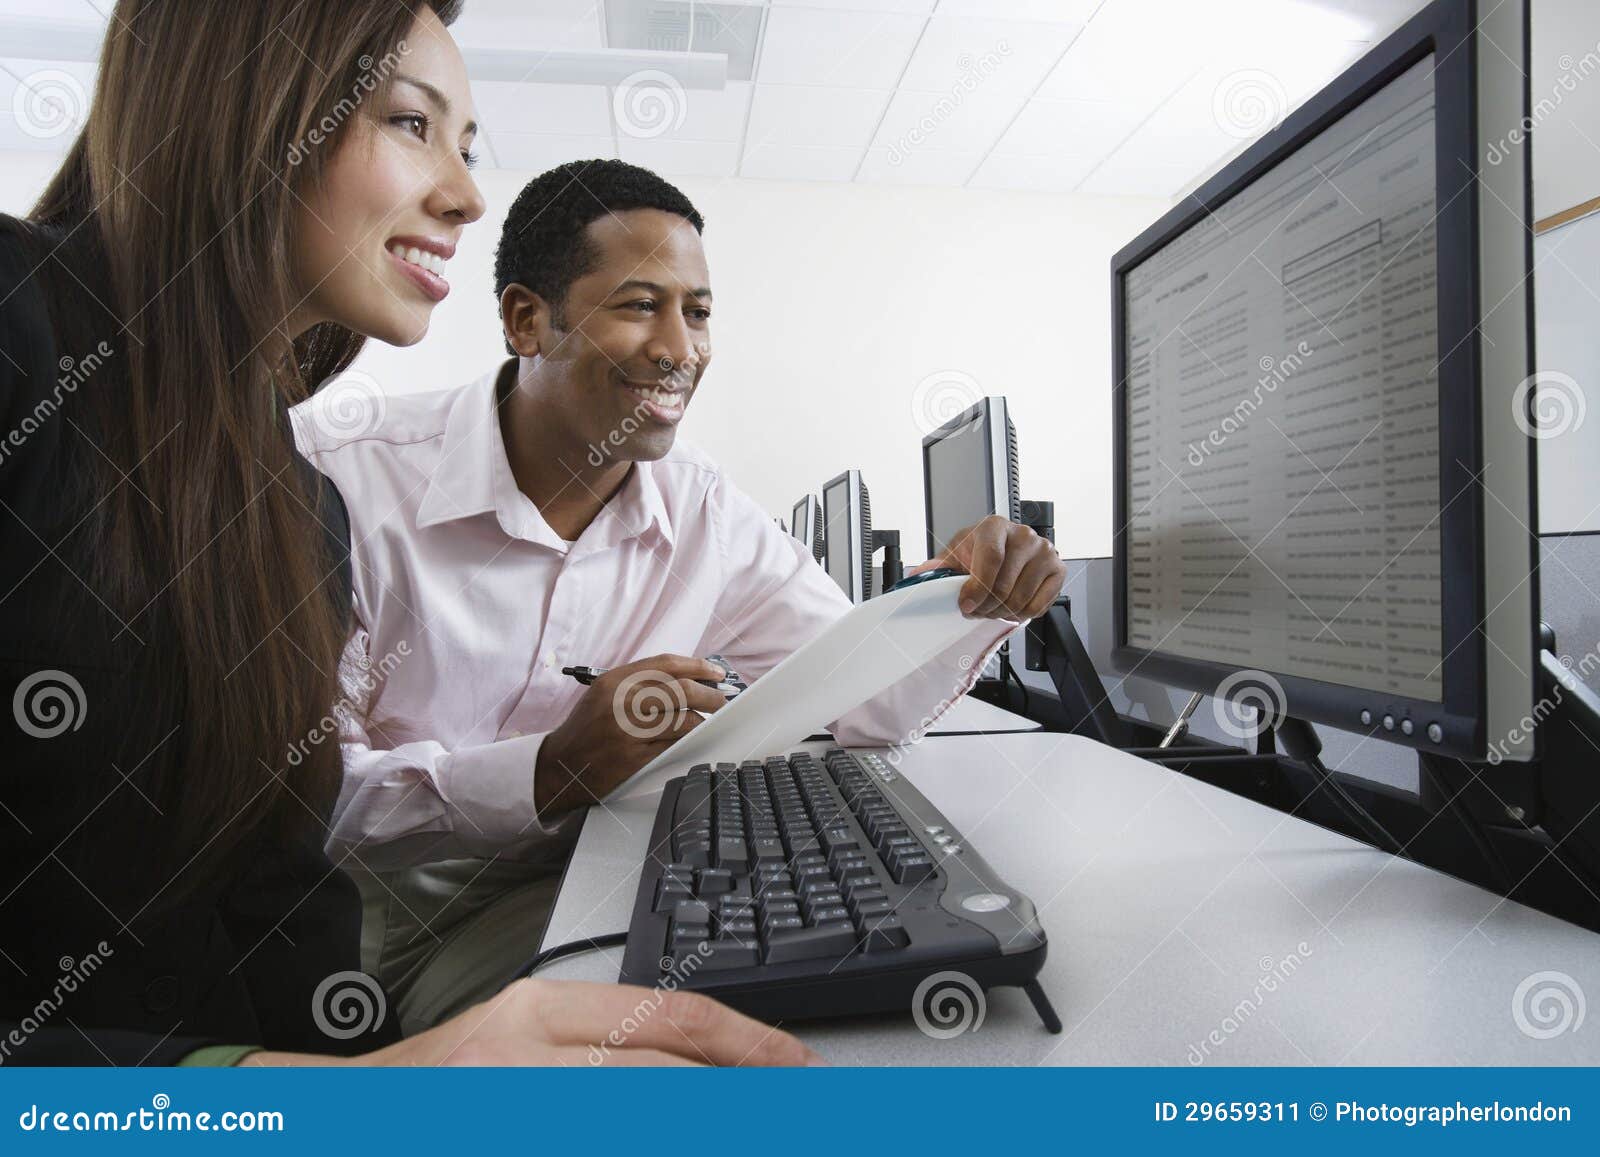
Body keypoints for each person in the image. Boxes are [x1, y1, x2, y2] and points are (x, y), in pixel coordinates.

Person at [0, 1, 816, 1069]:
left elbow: (272, 908)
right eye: (408, 122)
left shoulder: (289, 501)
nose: (468, 194)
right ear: (246, 105)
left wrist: (391, 1074)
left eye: (466, 146)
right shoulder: (23, 327)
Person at [293, 159, 1068, 1031]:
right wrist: (550, 770)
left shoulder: (703, 508)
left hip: (574, 868)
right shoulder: (343, 474)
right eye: (637, 305)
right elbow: (305, 796)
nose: (679, 347)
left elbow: (867, 701)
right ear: (526, 320)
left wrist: (967, 598)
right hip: (365, 911)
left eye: (697, 311)